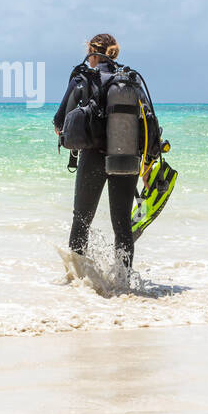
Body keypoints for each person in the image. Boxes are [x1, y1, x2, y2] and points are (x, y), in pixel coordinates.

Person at [53, 33, 148, 281]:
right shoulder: (130, 80)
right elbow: (147, 122)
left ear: (92, 53)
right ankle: (124, 281)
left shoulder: (83, 78)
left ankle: (77, 280)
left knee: (82, 220)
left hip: (93, 157)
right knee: (122, 225)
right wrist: (147, 164)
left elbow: (59, 121)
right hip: (126, 158)